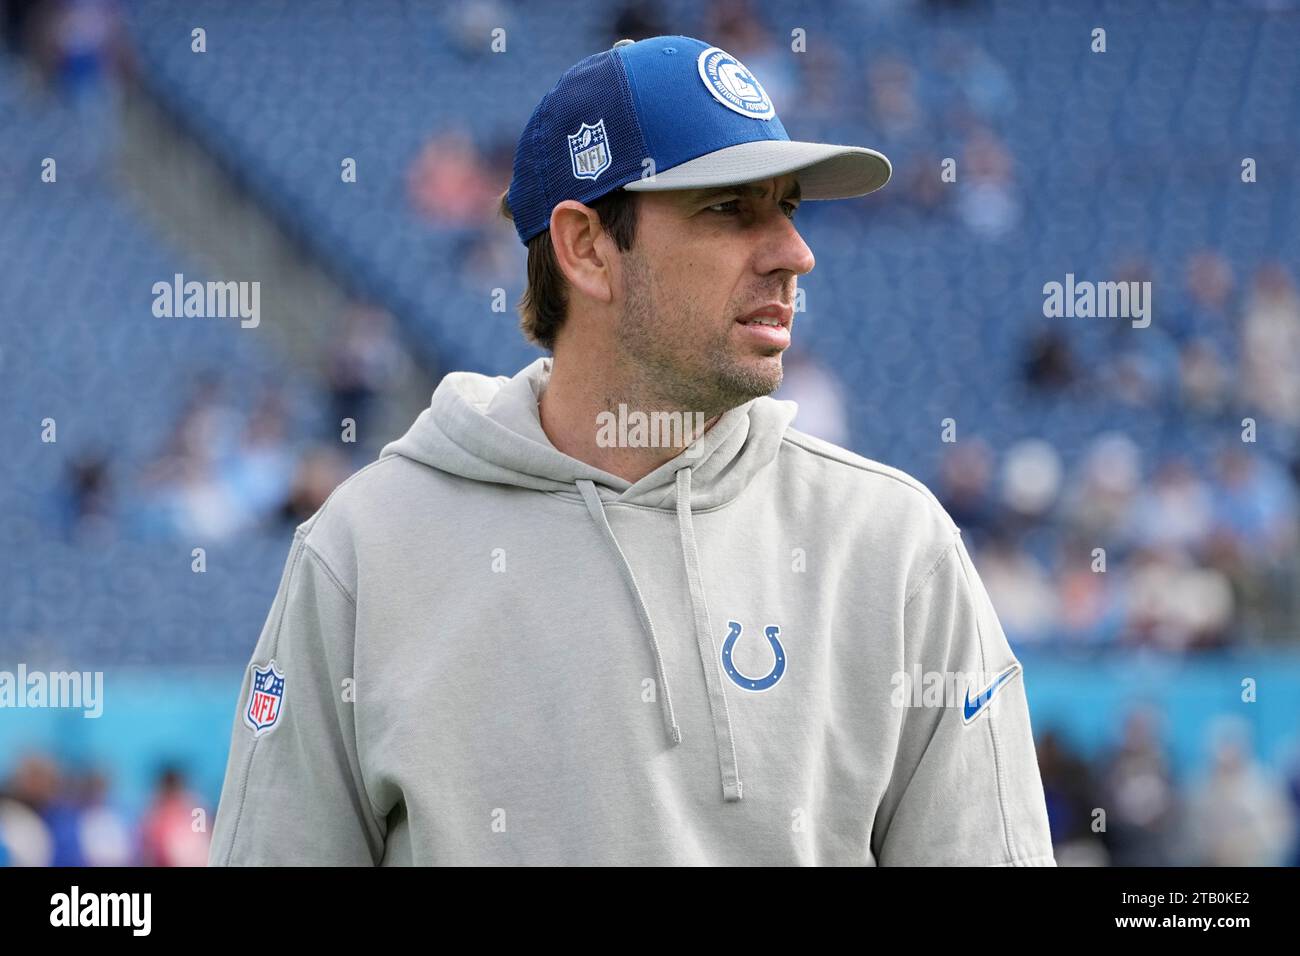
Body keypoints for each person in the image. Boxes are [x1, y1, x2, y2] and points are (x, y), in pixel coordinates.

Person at [209, 35, 1054, 866]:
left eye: (788, 206)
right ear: (584, 248)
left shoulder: (896, 549)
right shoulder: (364, 552)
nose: (796, 253)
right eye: (730, 208)